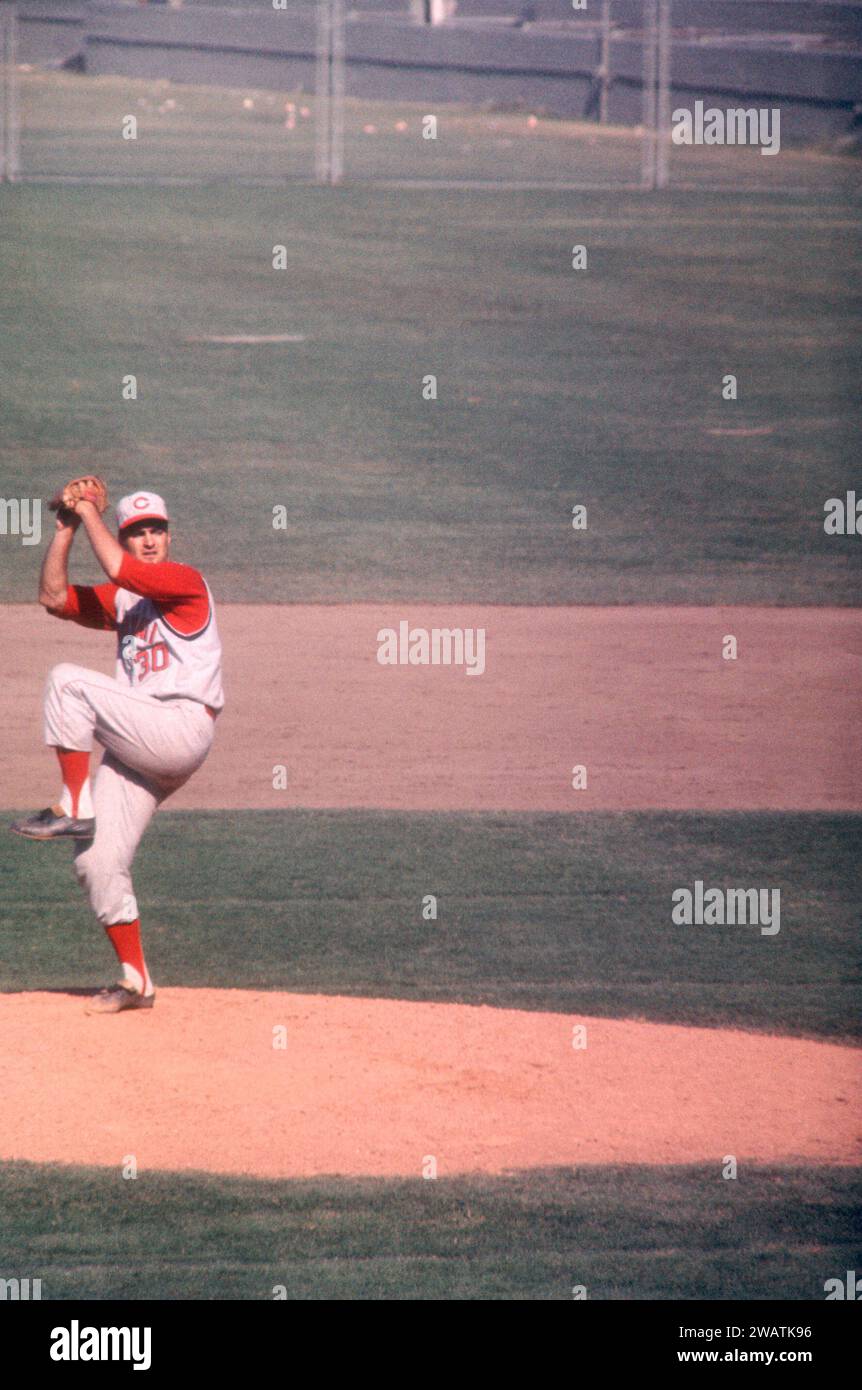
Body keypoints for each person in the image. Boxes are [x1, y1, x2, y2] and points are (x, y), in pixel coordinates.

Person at [11, 489, 224, 1015]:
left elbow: (122, 570)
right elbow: (54, 599)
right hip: (140, 744)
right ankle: (136, 982)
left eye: (156, 530)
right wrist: (65, 528)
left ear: (169, 536)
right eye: (137, 531)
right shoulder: (126, 600)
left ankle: (74, 805)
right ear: (126, 534)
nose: (149, 540)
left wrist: (88, 510)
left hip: (178, 725)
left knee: (68, 681)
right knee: (96, 861)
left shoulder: (185, 582)